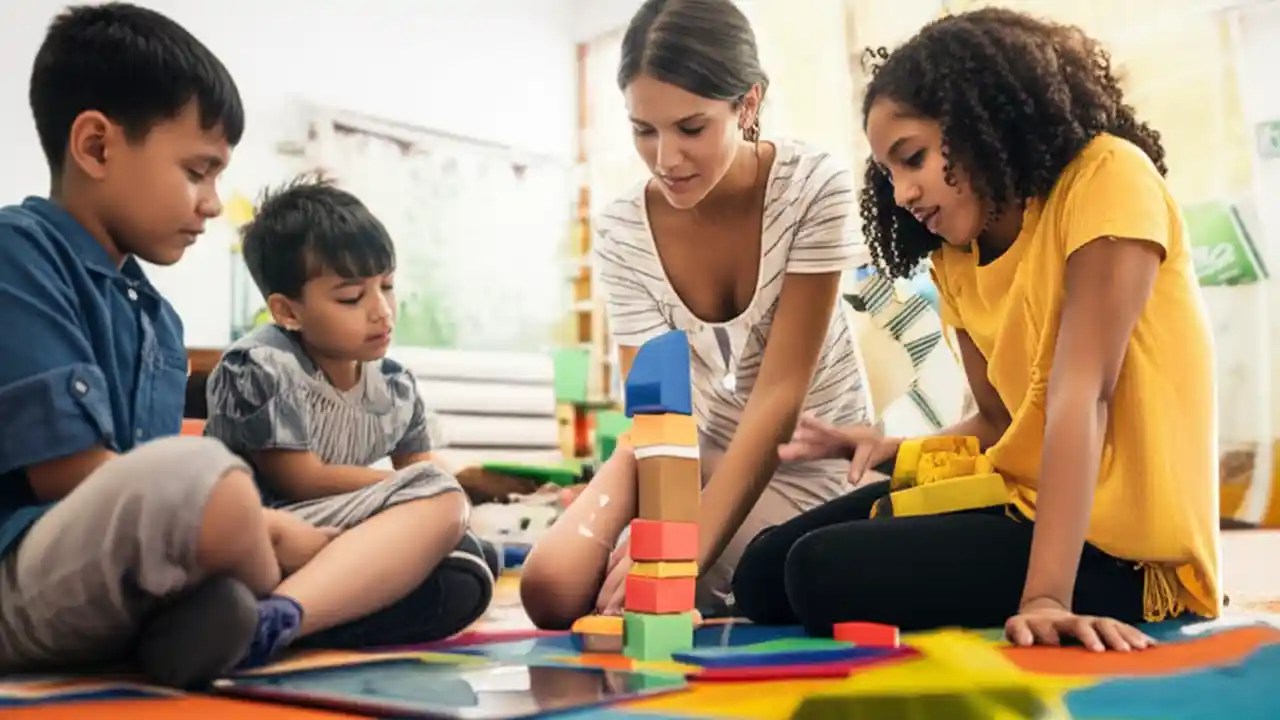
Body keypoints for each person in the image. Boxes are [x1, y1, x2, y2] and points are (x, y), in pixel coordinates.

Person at [731, 7, 1220, 653]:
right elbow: (997, 423)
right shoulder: (956, 254)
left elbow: (1083, 395)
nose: (903, 192)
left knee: (819, 572)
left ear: (985, 120)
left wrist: (1047, 597)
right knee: (763, 573)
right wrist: (890, 450)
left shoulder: (1108, 177)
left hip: (1117, 550)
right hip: (1016, 500)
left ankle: (1081, 584)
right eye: (889, 174)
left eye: (914, 159)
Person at [520, 0, 874, 627]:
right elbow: (657, 416)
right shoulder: (623, 227)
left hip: (804, 463)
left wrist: (680, 553)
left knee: (725, 582)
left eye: (691, 128)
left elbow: (779, 398)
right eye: (643, 130)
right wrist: (666, 526)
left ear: (747, 104)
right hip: (685, 451)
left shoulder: (813, 186)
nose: (666, 159)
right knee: (550, 590)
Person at [0, 3, 295, 688]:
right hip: (20, 573)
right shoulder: (17, 252)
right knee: (203, 478)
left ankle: (255, 607)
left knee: (427, 500)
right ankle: (300, 602)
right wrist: (260, 526)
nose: (215, 203)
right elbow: (73, 478)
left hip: (130, 564)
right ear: (97, 147)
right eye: (198, 171)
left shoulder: (155, 317)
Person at [203, 177, 497, 665]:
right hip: (263, 529)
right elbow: (299, 479)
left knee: (473, 560)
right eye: (350, 298)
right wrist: (416, 487)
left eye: (386, 286)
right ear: (287, 311)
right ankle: (279, 615)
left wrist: (442, 486)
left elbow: (421, 471)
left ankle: (283, 619)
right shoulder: (260, 366)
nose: (381, 311)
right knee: (440, 507)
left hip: (338, 529)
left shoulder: (396, 385)